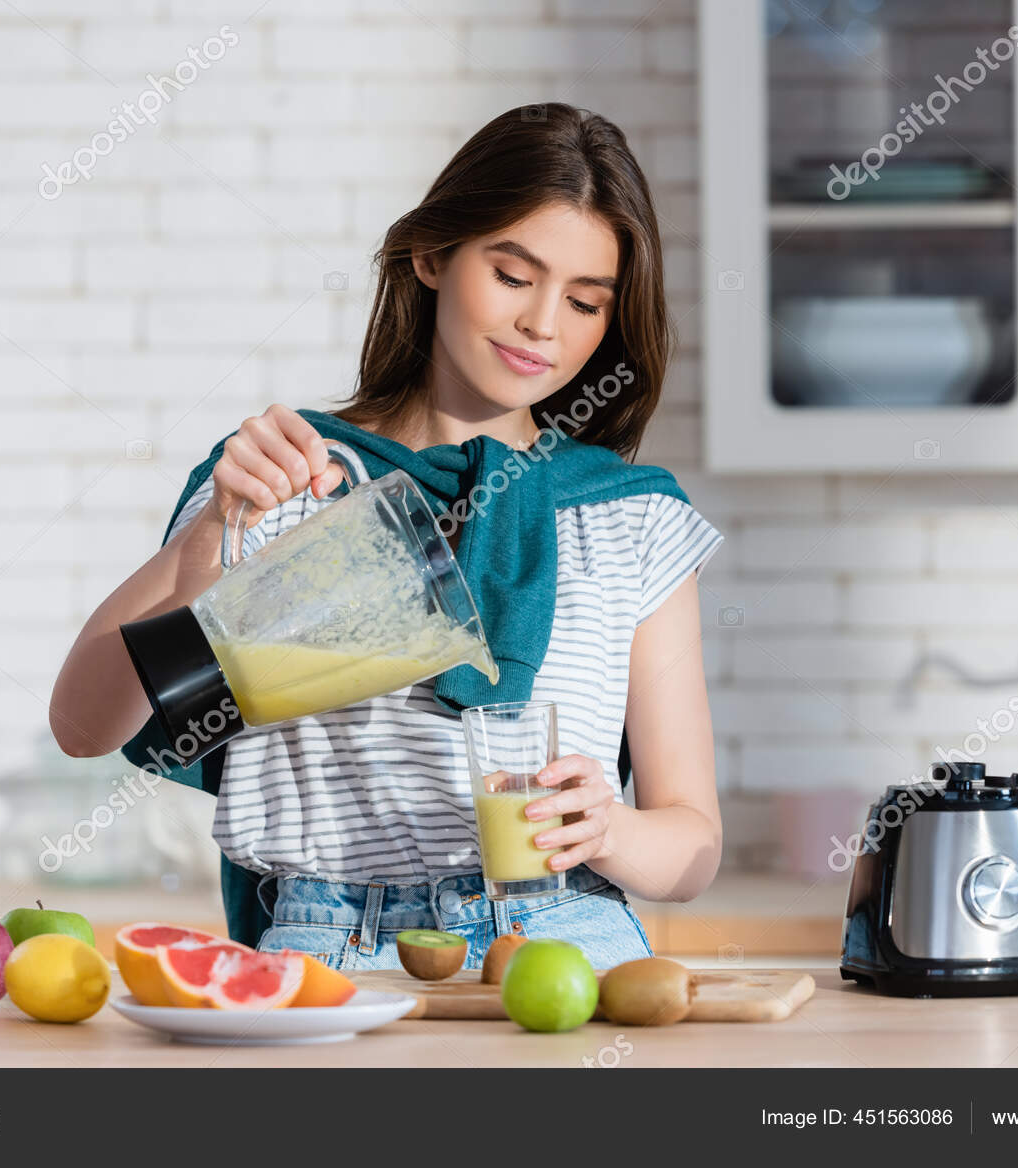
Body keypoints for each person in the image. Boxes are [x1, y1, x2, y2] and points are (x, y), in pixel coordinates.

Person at [50, 103, 724, 972]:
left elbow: (692, 842)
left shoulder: (630, 518)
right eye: (514, 276)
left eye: (586, 301)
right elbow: (84, 724)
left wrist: (611, 828)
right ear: (433, 254)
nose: (544, 325)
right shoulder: (288, 475)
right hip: (332, 942)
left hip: (566, 930)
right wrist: (210, 543)